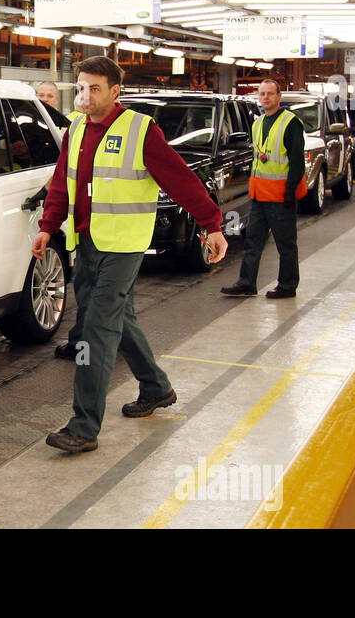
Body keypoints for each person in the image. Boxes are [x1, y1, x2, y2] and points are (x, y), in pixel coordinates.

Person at [32, 56, 226, 453]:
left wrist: (212, 223)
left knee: (96, 331)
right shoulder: (75, 129)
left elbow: (180, 179)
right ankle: (156, 387)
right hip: (86, 242)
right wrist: (48, 227)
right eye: (81, 87)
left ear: (115, 91)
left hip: (123, 246)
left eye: (95, 88)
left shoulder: (141, 130)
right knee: (120, 318)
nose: (85, 94)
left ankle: (83, 427)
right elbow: (61, 183)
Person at [221, 78, 305, 299]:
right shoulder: (257, 124)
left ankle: (287, 286)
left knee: (285, 245)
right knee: (252, 241)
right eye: (262, 94)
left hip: (280, 196)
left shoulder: (290, 123)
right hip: (259, 194)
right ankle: (246, 282)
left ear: (279, 96)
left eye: (270, 93)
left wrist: (290, 192)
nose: (266, 97)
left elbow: (297, 162)